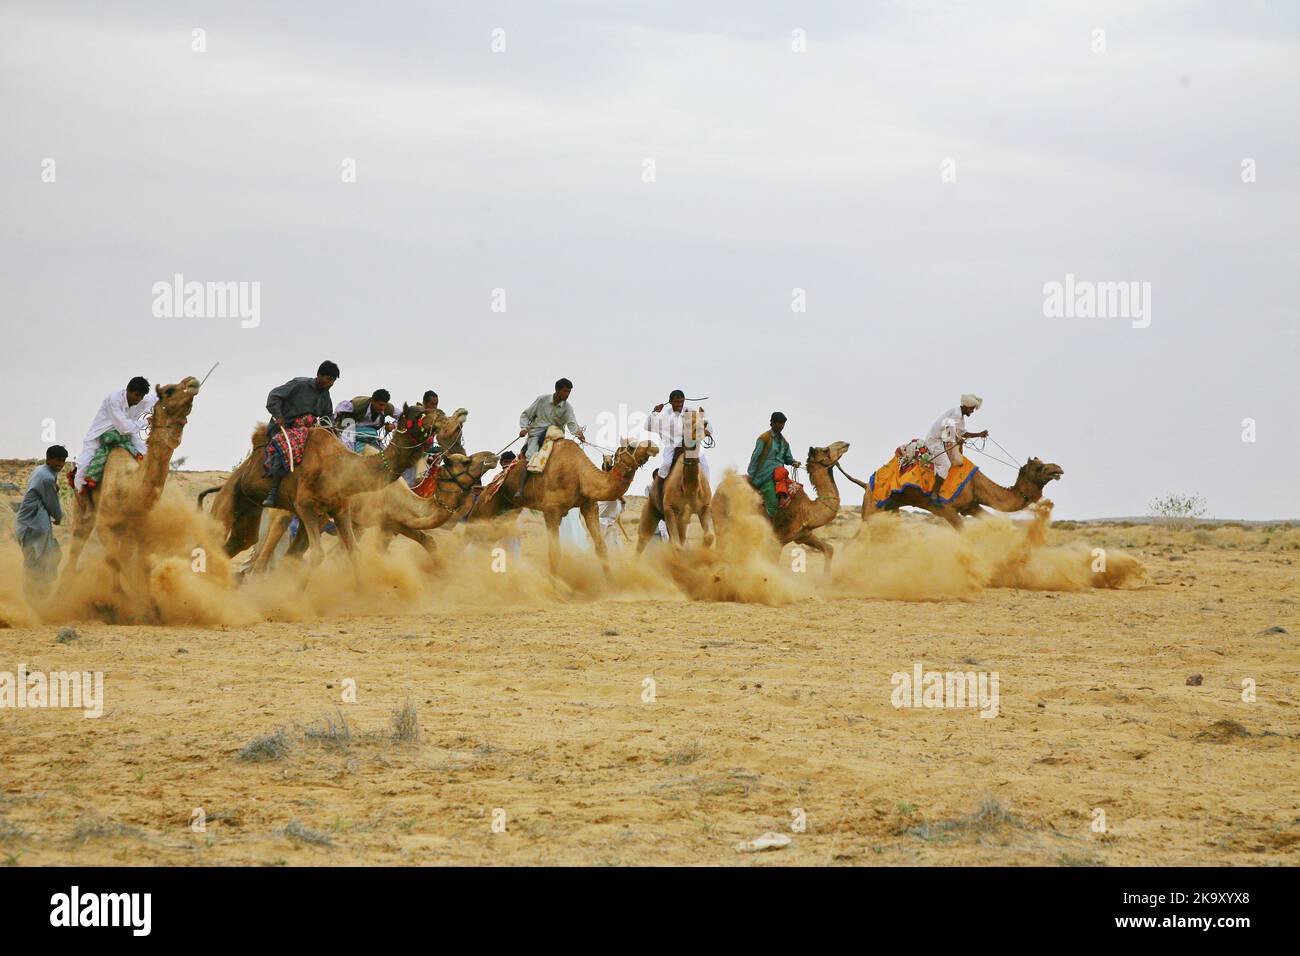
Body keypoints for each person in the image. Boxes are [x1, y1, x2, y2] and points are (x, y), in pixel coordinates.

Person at [263, 360, 339, 506]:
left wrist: (332, 427)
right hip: (286, 428)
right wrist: (279, 416)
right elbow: (274, 396)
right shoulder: (299, 384)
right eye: (329, 379)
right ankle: (273, 492)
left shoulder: (325, 395)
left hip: (309, 430)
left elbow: (328, 415)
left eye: (333, 380)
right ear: (319, 375)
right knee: (286, 447)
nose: (331, 383)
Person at [73, 376, 157, 492]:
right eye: (137, 395)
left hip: (128, 435)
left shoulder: (145, 399)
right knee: (83, 465)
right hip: (103, 432)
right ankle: (82, 496)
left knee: (147, 457)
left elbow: (161, 397)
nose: (139, 399)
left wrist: (183, 388)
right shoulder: (114, 400)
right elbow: (124, 427)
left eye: (142, 396)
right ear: (128, 390)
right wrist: (146, 422)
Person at [15, 445, 68, 596]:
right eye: (57, 460)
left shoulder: (41, 471)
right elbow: (51, 503)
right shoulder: (47, 477)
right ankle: (32, 599)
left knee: (49, 556)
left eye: (63, 461)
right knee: (35, 564)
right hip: (32, 525)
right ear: (48, 459)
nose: (60, 464)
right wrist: (58, 517)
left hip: (30, 523)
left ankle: (40, 594)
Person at [647, 389, 713, 482]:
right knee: (666, 463)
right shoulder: (664, 416)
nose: (679, 404)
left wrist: (706, 431)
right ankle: (657, 486)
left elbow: (708, 426)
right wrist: (655, 412)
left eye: (681, 401)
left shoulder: (691, 412)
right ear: (670, 402)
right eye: (676, 402)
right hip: (671, 445)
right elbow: (648, 427)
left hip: (691, 444)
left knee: (704, 465)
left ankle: (706, 492)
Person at [747, 412, 801, 517]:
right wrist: (751, 475)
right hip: (765, 476)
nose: (781, 426)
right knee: (773, 503)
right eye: (778, 423)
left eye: (783, 424)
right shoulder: (764, 438)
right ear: (772, 423)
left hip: (780, 476)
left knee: (796, 492)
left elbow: (788, 458)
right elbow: (755, 457)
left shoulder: (784, 442)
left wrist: (794, 462)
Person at [925, 393, 987, 480]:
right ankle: (934, 492)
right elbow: (949, 428)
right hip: (934, 442)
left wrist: (979, 434)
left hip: (940, 443)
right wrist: (957, 439)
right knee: (945, 464)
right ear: (966, 406)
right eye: (971, 408)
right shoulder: (956, 413)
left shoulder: (960, 417)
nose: (972, 411)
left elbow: (963, 433)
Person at [518, 378, 585, 458]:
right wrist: (523, 428)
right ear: (557, 389)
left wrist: (579, 434)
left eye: (569, 392)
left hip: (555, 438)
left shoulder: (567, 408)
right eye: (565, 391)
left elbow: (572, 423)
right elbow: (526, 415)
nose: (567, 394)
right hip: (536, 435)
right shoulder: (542, 400)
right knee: (531, 458)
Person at [335, 388, 396, 453]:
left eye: (385, 405)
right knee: (348, 449)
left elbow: (402, 417)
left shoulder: (388, 408)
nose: (382, 408)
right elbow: (340, 409)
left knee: (384, 455)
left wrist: (393, 425)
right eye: (380, 405)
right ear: (372, 401)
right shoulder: (357, 404)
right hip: (351, 430)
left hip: (371, 438)